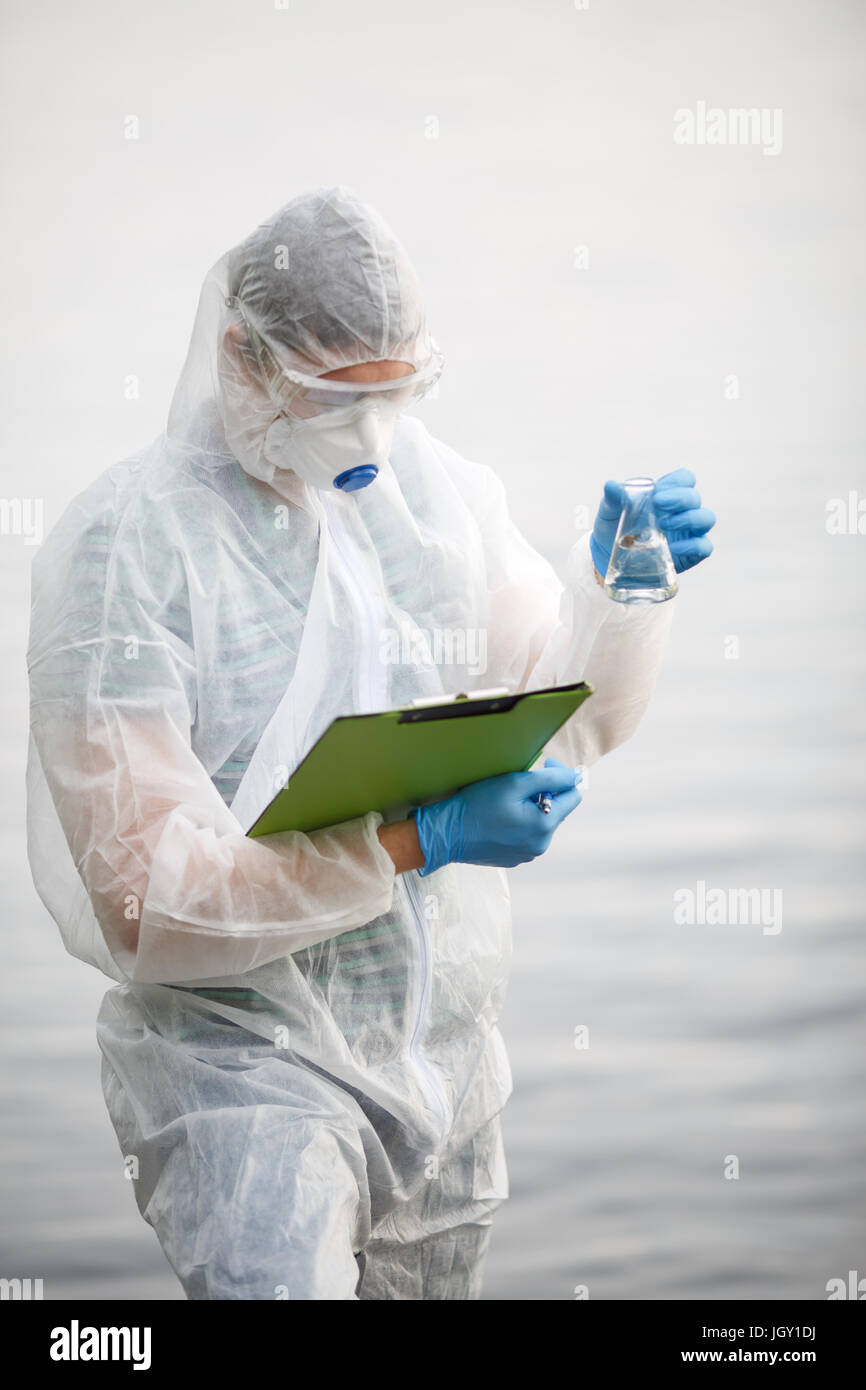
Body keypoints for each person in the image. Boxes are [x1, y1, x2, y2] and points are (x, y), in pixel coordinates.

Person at [26, 186, 715, 1300]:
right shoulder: (125, 551)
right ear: (241, 356)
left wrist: (623, 590)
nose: (368, 437)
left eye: (390, 394)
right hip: (241, 1072)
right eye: (331, 398)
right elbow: (141, 899)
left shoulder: (434, 499)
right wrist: (417, 839)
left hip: (441, 1060)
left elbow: (563, 715)